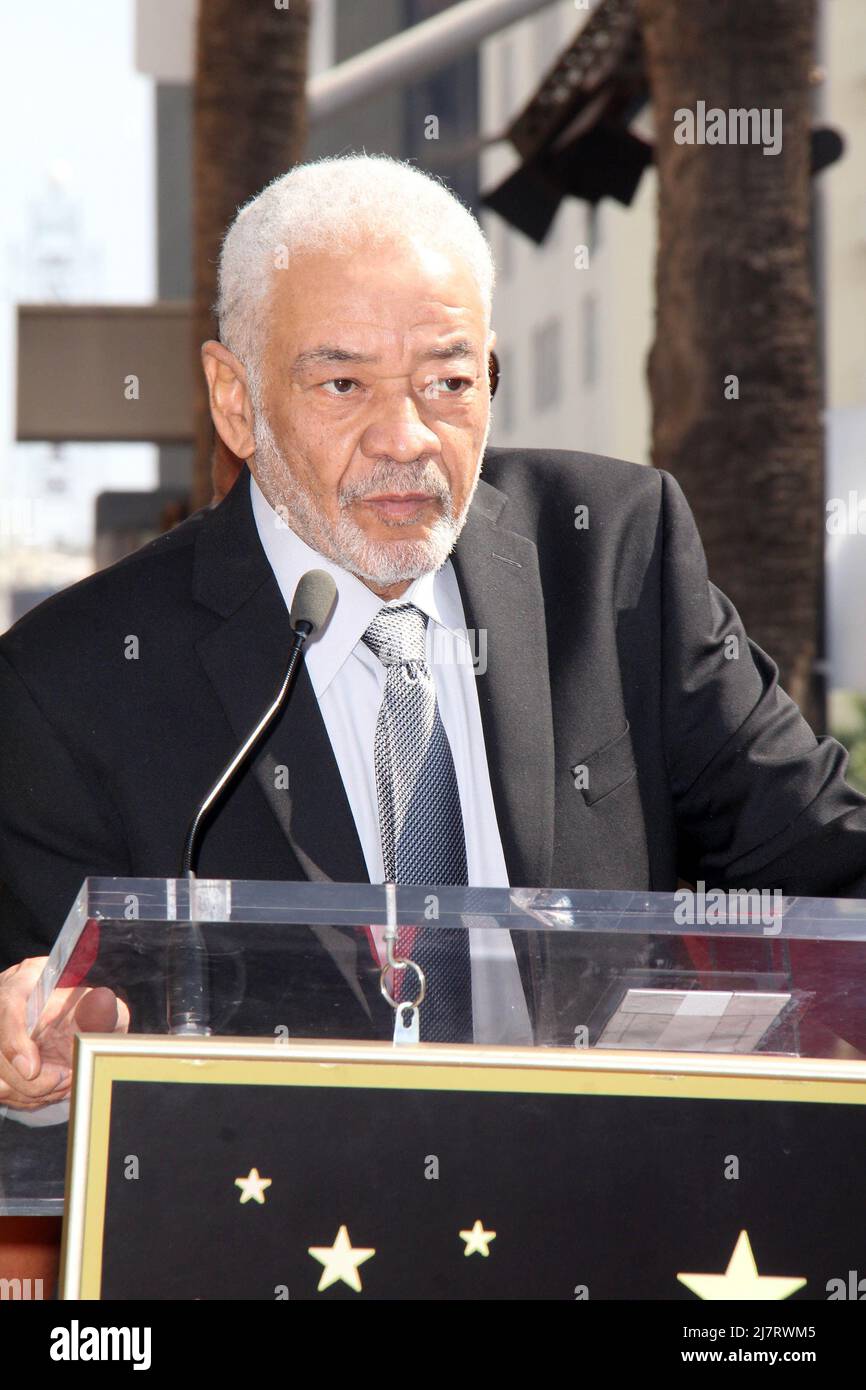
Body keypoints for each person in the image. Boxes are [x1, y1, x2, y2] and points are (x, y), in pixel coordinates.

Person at [2, 153, 866, 1115]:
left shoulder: (616, 558)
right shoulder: (70, 682)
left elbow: (827, 865)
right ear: (236, 399)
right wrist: (37, 1049)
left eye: (449, 380)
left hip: (610, 1206)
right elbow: (38, 1022)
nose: (407, 436)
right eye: (343, 385)